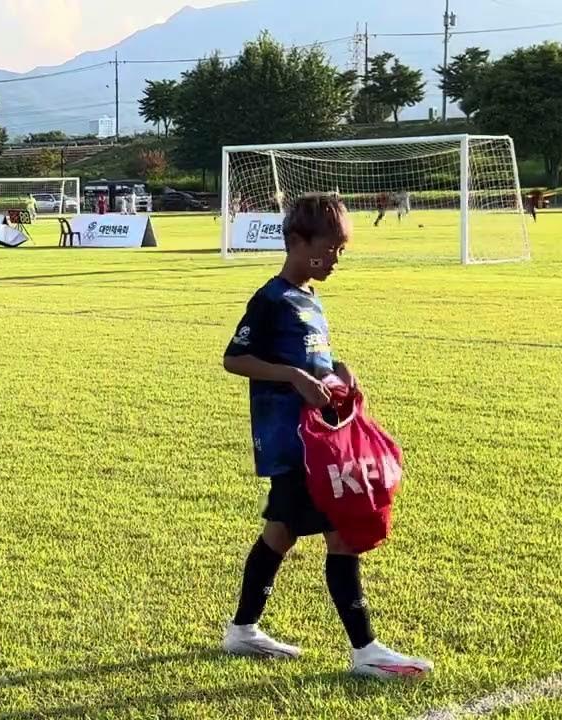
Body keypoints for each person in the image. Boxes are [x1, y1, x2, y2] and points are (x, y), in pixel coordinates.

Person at [220, 193, 432, 679]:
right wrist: (295, 378)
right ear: (297, 242)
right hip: (293, 442)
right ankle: (367, 652)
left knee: (281, 532)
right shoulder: (271, 299)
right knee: (341, 536)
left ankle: (243, 630)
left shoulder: (309, 298)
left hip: (317, 438)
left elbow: (314, 358)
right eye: (330, 248)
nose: (336, 258)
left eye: (341, 249)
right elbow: (235, 358)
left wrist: (337, 368)